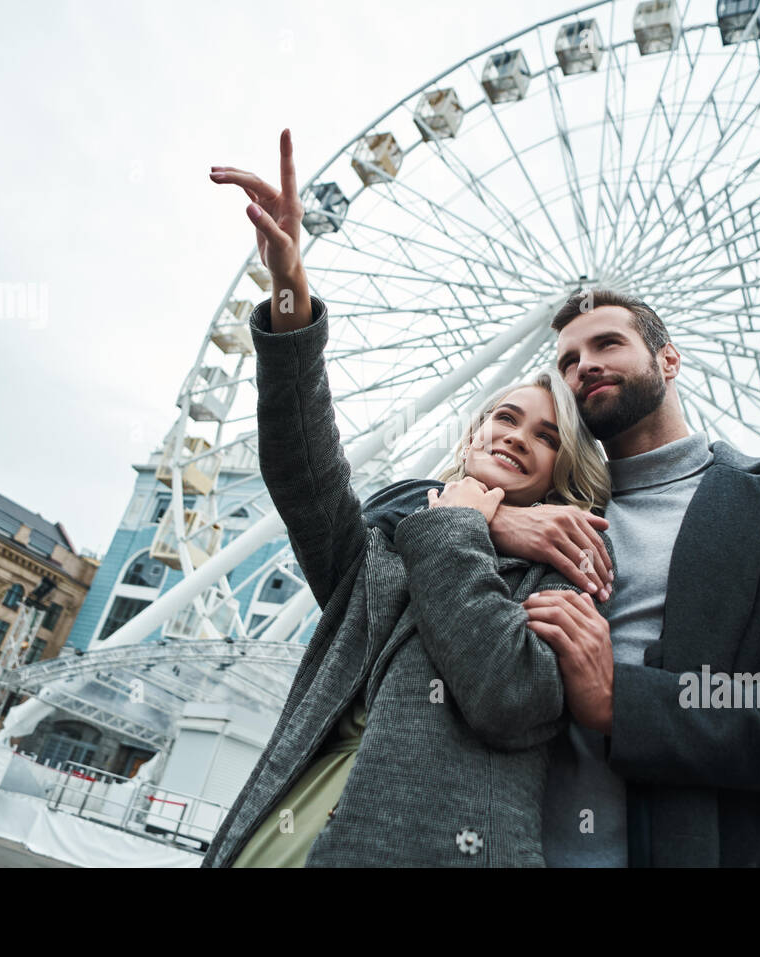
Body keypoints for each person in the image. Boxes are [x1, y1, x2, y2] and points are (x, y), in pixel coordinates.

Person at [363, 288, 760, 867]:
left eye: (608, 344)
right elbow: (376, 518)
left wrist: (624, 703)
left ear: (669, 360)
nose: (583, 365)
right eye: (567, 360)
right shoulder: (546, 500)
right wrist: (500, 518)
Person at [201, 129, 616, 867]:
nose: (519, 436)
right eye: (506, 416)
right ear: (473, 431)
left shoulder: (566, 561)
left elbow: (509, 695)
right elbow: (304, 471)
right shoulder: (385, 544)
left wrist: (461, 524)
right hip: (296, 817)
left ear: (564, 468)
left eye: (547, 435)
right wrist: (290, 287)